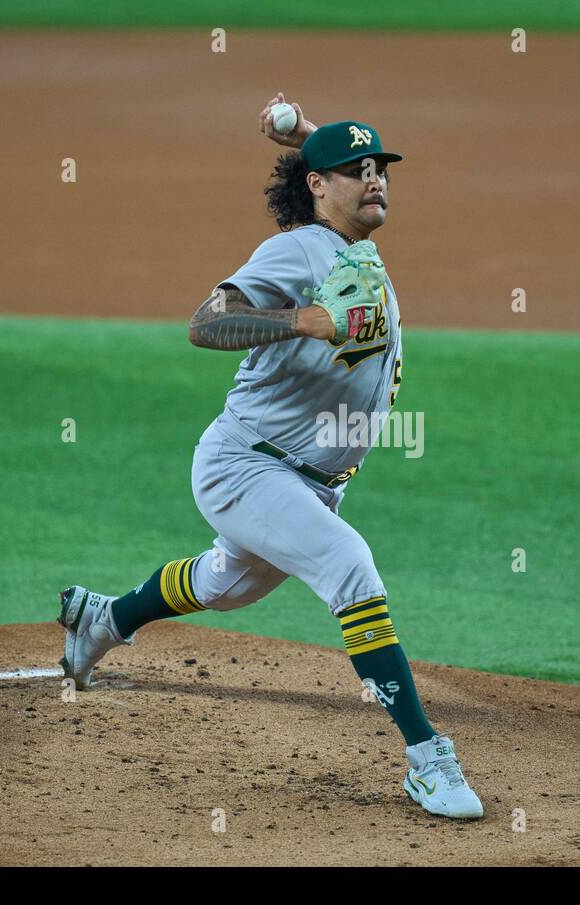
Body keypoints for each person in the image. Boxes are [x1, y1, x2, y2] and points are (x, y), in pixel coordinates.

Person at [57, 94, 483, 819]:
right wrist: (301, 321)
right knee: (350, 567)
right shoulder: (296, 250)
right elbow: (205, 323)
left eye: (380, 168)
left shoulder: (353, 248)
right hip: (244, 465)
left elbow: (340, 175)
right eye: (357, 170)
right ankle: (426, 757)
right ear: (319, 187)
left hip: (310, 483)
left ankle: (105, 619)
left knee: (227, 584)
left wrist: (313, 140)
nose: (374, 178)